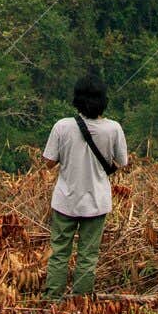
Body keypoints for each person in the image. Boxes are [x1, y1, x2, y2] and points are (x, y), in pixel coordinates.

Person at [42, 71, 128, 300]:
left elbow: (49, 163)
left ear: (77, 99)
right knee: (88, 255)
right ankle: (80, 303)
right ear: (103, 101)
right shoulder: (114, 129)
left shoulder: (62, 126)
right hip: (97, 202)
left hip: (65, 201)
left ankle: (52, 301)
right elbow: (122, 162)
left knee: (60, 252)